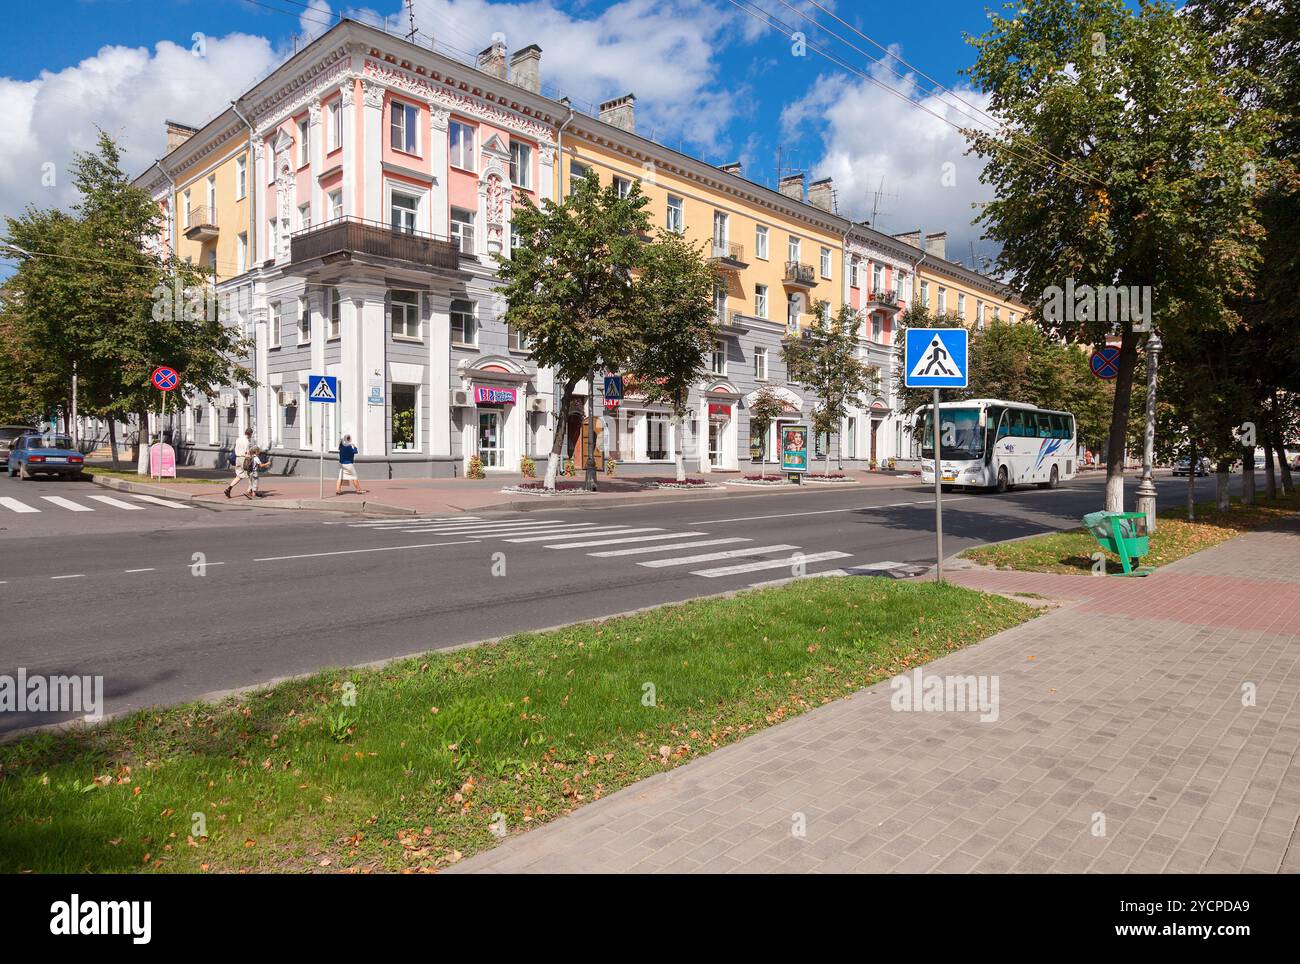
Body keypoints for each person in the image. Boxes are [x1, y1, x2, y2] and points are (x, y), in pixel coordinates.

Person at [224, 428, 255, 499]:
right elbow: (246, 453)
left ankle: (228, 489)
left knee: (239, 476)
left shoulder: (238, 439)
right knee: (251, 474)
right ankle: (249, 491)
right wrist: (252, 456)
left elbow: (236, 449)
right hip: (243, 460)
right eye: (251, 435)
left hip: (237, 458)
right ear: (250, 434)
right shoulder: (246, 441)